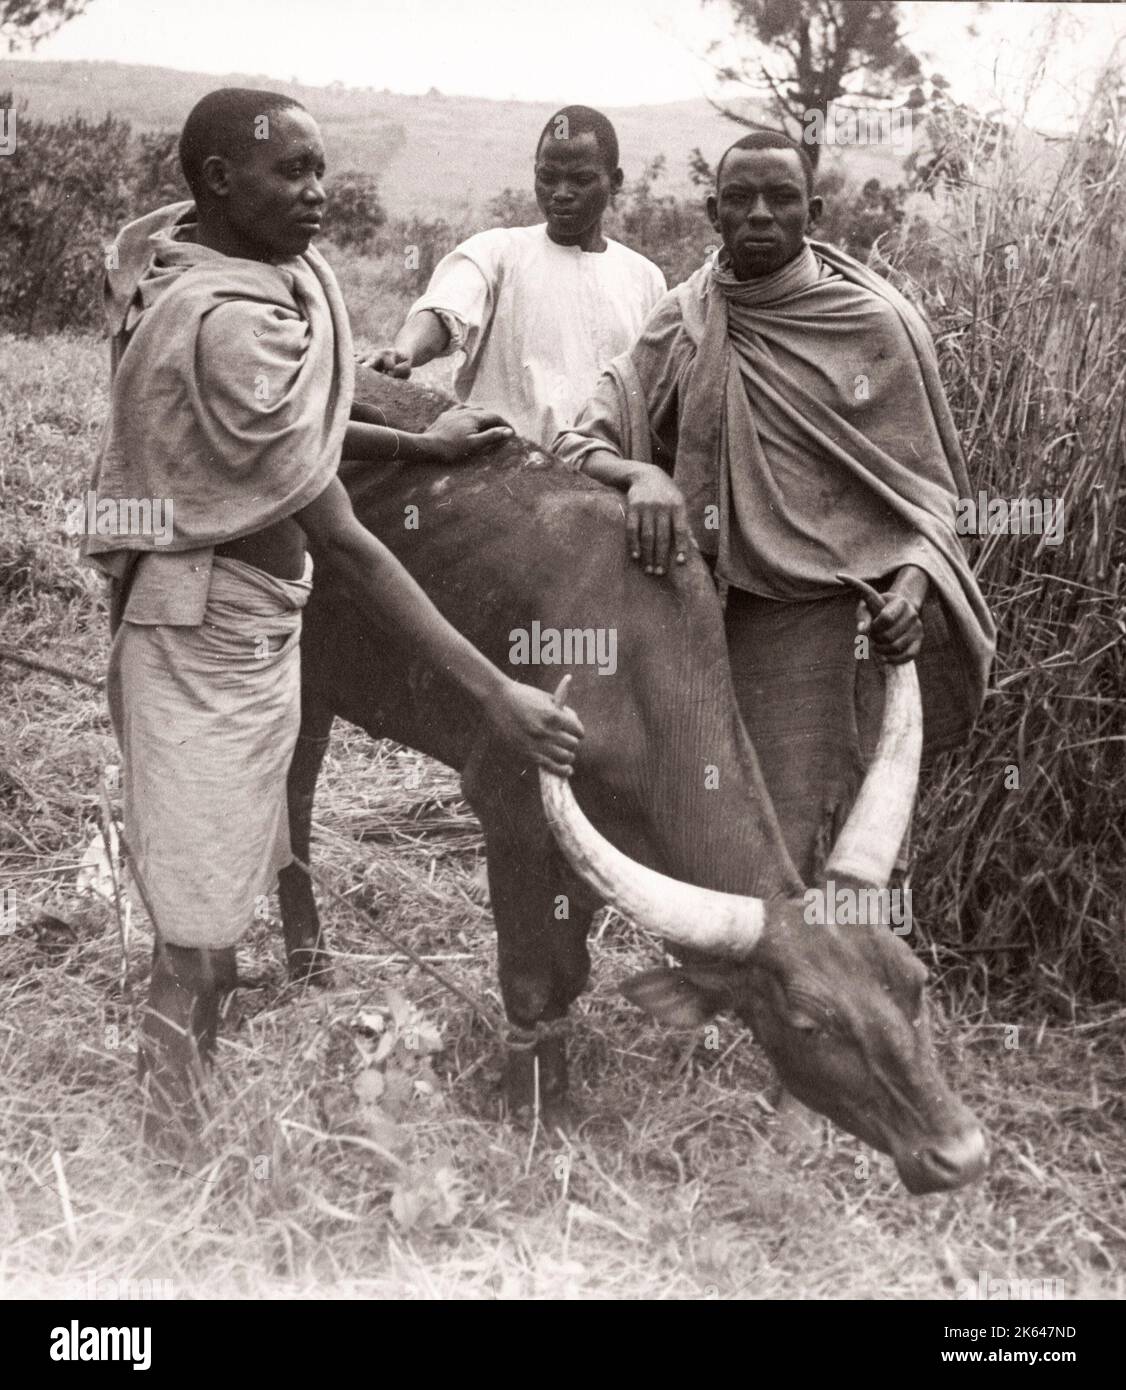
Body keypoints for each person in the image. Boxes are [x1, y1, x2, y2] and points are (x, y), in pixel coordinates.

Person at [83, 88, 582, 1154]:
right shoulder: (223, 325)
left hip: (258, 618)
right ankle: (172, 1144)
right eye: (290, 173)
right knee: (201, 928)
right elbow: (347, 535)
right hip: (198, 630)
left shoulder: (254, 277)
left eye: (321, 169)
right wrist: (494, 690)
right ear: (219, 182)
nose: (319, 194)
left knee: (219, 882)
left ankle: (186, 1107)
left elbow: (314, 430)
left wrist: (419, 445)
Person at [554, 130, 995, 883]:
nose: (760, 214)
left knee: (797, 844)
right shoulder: (684, 317)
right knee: (707, 835)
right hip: (696, 616)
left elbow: (928, 499)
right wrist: (641, 477)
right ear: (712, 212)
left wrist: (910, 595)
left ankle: (812, 990)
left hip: (821, 624)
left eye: (781, 198)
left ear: (813, 212)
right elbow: (575, 442)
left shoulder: (868, 323)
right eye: (740, 199)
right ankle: (722, 988)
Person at [367, 105, 666, 447]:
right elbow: (444, 312)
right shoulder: (496, 252)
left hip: (609, 476)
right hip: (508, 471)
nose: (561, 192)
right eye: (548, 177)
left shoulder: (645, 278)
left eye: (581, 179)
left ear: (615, 182)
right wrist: (402, 352)